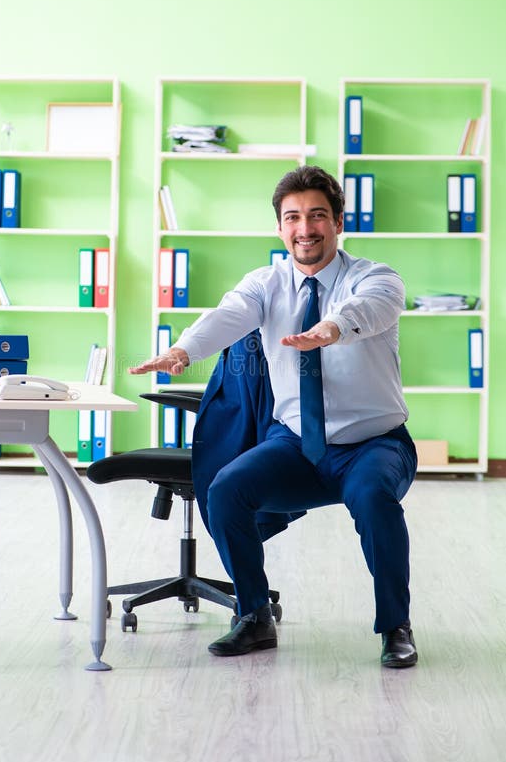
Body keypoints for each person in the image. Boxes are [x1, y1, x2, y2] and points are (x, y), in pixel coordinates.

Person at [130, 165, 418, 669]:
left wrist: (330, 330)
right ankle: (254, 616)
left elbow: (371, 309)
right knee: (225, 490)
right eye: (293, 218)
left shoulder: (375, 277)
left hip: (374, 444)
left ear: (338, 222)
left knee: (374, 499)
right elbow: (229, 314)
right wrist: (183, 349)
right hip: (297, 446)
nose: (305, 228)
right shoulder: (266, 283)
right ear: (280, 227)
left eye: (317, 216)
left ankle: (395, 626)